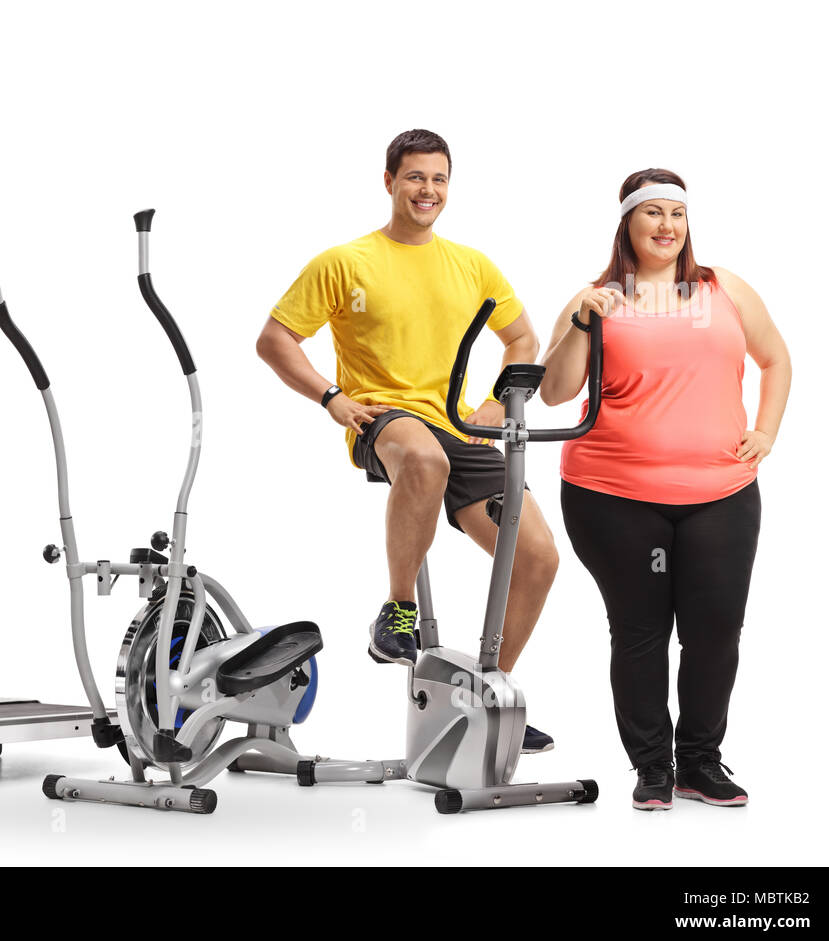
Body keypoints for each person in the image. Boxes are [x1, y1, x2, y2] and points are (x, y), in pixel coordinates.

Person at [257, 128, 560, 755]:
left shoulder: (472, 264)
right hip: (385, 418)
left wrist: (493, 404)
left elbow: (523, 341)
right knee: (421, 455)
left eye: (439, 179)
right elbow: (276, 339)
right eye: (416, 177)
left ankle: (486, 696)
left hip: (460, 426)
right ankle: (397, 613)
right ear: (390, 180)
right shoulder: (345, 262)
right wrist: (330, 397)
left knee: (537, 556)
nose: (428, 190)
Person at [540, 169, 790, 810]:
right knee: (642, 629)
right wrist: (576, 323)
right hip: (614, 495)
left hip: (721, 493)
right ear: (626, 224)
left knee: (714, 631)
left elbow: (776, 358)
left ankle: (699, 763)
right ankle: (652, 769)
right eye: (650, 213)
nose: (665, 226)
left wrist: (765, 430)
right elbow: (555, 391)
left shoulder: (724, 288)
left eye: (675, 214)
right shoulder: (597, 297)